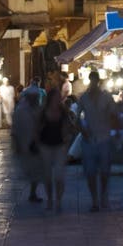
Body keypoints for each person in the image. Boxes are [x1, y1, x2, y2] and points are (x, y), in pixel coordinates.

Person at [77, 70, 117, 211]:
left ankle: (103, 195)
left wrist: (113, 131)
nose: (93, 83)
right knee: (90, 171)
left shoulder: (106, 97)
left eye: (95, 81)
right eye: (91, 81)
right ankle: (95, 199)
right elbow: (78, 117)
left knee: (105, 171)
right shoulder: (84, 98)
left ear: (98, 81)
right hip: (89, 139)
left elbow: (114, 114)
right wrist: (83, 130)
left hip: (104, 137)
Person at [38, 87, 75, 212]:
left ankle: (58, 200)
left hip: (59, 146)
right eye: (57, 96)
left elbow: (70, 126)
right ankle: (49, 199)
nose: (59, 99)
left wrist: (67, 141)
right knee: (47, 176)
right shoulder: (43, 112)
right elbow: (37, 128)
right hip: (45, 146)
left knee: (59, 176)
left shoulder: (63, 112)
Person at [11, 86, 44, 202]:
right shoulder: (20, 110)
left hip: (35, 145)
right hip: (24, 143)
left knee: (36, 170)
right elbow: (15, 128)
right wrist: (16, 144)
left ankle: (33, 193)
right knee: (27, 170)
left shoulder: (39, 109)